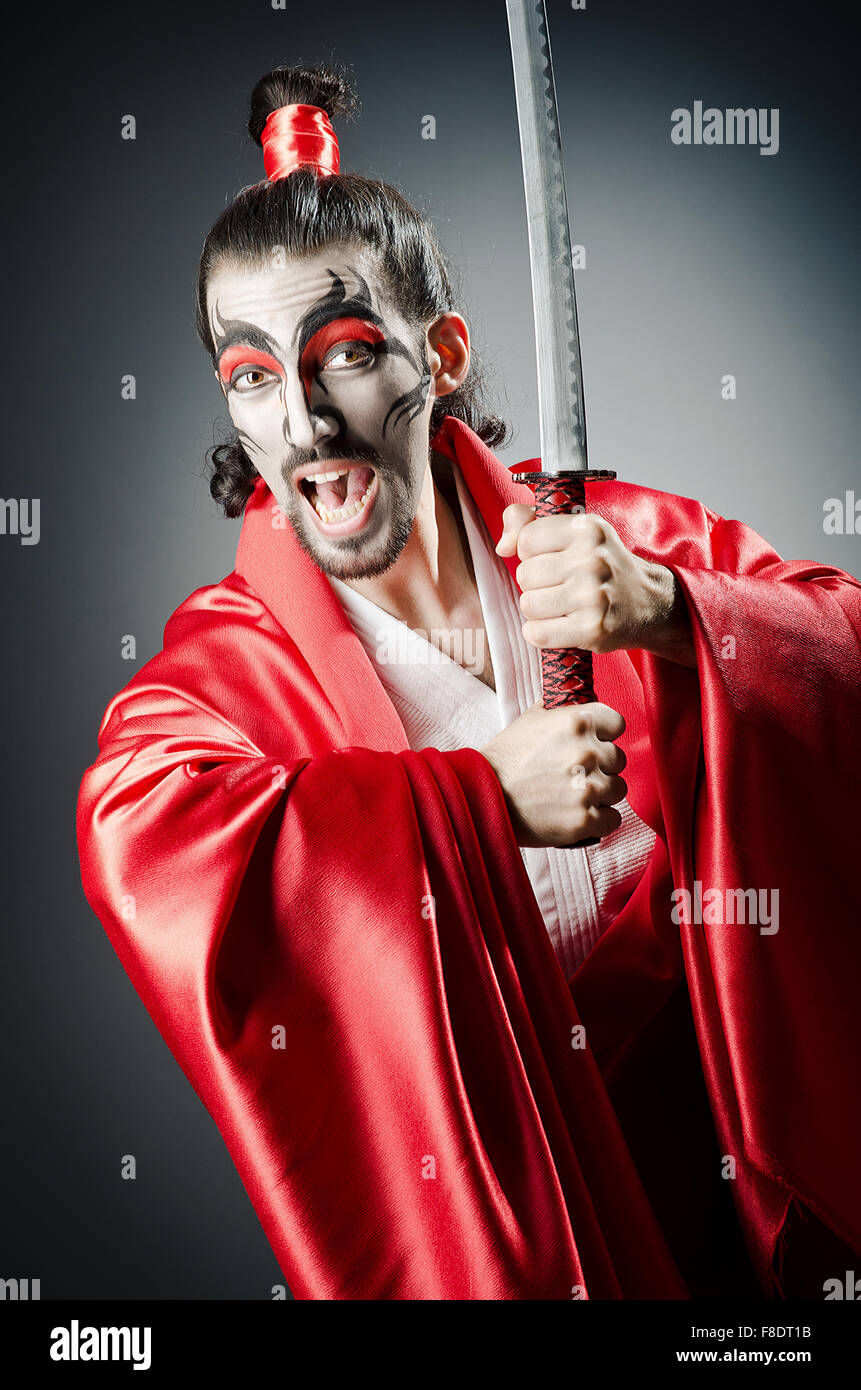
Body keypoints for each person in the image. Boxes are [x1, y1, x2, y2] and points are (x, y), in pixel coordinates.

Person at [77, 61, 861, 1301]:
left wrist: (672, 613)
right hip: (521, 1221)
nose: (306, 423)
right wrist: (477, 800)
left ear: (439, 353)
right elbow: (146, 827)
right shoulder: (226, 673)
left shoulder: (608, 542)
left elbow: (845, 646)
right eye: (251, 377)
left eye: (341, 354)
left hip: (736, 1207)